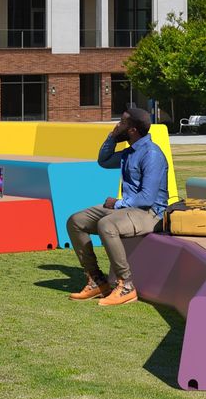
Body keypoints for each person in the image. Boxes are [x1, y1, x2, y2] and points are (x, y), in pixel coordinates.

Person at [66, 105, 169, 307]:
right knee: (76, 221)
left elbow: (147, 198)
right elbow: (103, 161)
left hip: (150, 213)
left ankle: (126, 285)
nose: (117, 125)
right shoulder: (129, 152)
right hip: (128, 209)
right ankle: (97, 281)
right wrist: (112, 137)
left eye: (121, 122)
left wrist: (118, 203)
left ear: (132, 130)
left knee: (107, 225)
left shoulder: (152, 154)